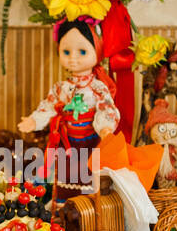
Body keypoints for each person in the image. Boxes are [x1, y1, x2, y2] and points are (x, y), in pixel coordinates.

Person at [18, 17, 119, 198]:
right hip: (66, 142)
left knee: (90, 177)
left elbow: (106, 107)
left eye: (82, 51)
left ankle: (89, 210)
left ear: (98, 50)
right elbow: (49, 106)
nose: (73, 58)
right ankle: (63, 210)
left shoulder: (97, 87)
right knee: (65, 177)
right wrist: (34, 120)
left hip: (91, 141)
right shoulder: (61, 88)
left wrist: (105, 127)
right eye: (66, 51)